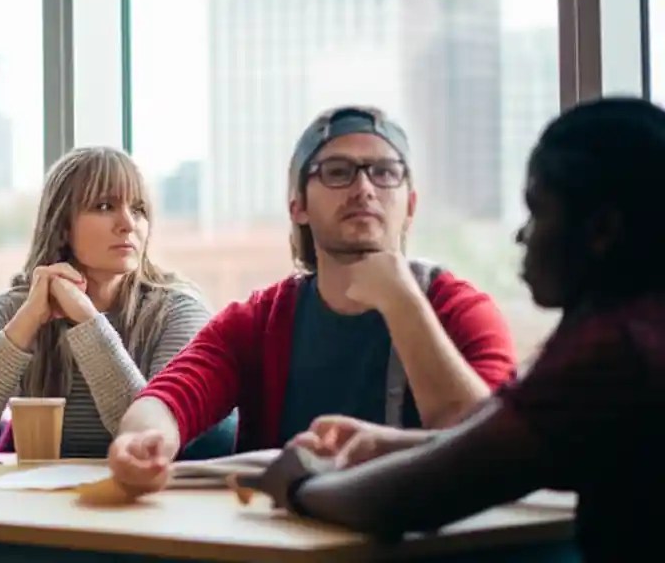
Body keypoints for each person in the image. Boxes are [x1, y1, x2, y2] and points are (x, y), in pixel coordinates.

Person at [236, 97, 665, 563]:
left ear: (602, 230)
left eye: (537, 212)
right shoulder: (628, 330)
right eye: (339, 173)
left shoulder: (614, 351)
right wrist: (394, 444)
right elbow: (512, 439)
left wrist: (300, 487)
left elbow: (424, 493)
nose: (523, 235)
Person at [109, 106, 516, 491]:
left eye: (385, 173)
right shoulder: (261, 321)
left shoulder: (460, 309)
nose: (364, 188)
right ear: (298, 206)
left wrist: (402, 300)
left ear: (410, 205)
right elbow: (166, 398)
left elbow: (493, 443)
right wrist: (144, 442)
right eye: (338, 172)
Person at [0, 146, 213, 458]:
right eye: (105, 206)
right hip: (41, 499)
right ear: (63, 226)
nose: (128, 224)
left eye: (138, 210)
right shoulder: (11, 311)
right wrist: (26, 323)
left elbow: (152, 441)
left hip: (147, 499)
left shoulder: (177, 313)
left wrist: (88, 320)